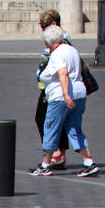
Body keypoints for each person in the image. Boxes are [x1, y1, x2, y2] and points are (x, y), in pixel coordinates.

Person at [30, 25, 98, 177]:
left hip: (61, 96)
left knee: (51, 128)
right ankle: (88, 162)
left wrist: (66, 94)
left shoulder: (57, 54)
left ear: (51, 42)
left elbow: (63, 73)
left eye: (47, 44)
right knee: (74, 129)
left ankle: (45, 165)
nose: (47, 47)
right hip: (80, 94)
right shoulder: (72, 50)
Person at [35, 9, 71, 168]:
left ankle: (56, 153)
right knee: (55, 119)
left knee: (42, 117)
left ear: (54, 24)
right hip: (52, 85)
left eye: (45, 27)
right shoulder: (61, 38)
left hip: (55, 86)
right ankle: (58, 153)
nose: (42, 31)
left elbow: (60, 64)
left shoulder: (61, 40)